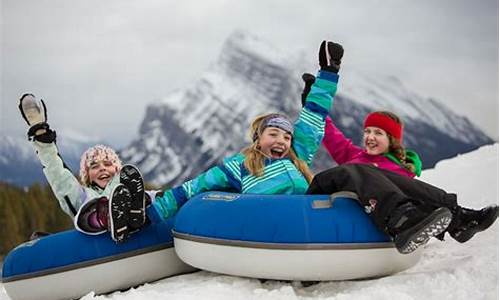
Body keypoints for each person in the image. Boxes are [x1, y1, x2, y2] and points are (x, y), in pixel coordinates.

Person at [300, 74, 499, 254]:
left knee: (400, 185)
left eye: (378, 133)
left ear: (392, 140)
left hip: (363, 213)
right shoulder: (352, 156)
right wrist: (312, 105)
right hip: (324, 195)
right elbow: (329, 132)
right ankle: (402, 219)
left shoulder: (398, 170)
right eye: (367, 131)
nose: (370, 137)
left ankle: (460, 219)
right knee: (360, 169)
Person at [151, 41, 343, 221]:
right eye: (273, 134)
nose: (281, 140)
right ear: (258, 140)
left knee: (342, 177)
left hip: (303, 222)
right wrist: (154, 212)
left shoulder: (296, 158)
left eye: (286, 137)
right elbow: (194, 187)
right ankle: (148, 202)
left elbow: (314, 117)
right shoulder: (240, 166)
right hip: (266, 226)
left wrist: (328, 72)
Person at [19, 95, 152, 243]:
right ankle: (109, 217)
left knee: (148, 199)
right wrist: (41, 135)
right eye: (94, 166)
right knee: (91, 208)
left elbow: (167, 199)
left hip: (136, 212)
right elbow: (58, 174)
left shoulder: (135, 190)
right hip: (98, 236)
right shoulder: (81, 196)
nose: (102, 168)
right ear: (87, 175)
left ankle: (134, 215)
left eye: (107, 164)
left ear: (117, 169)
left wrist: (180, 193)